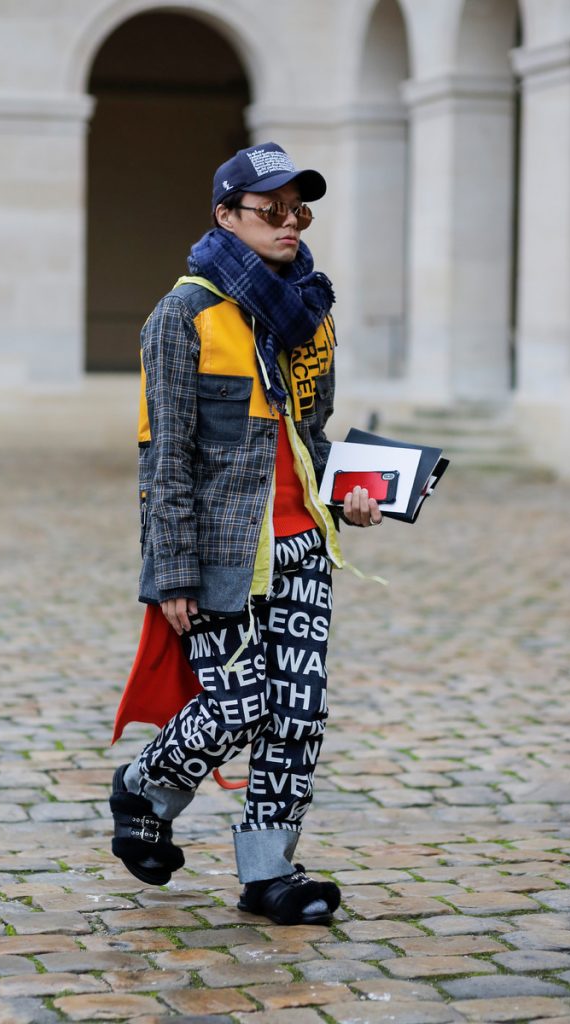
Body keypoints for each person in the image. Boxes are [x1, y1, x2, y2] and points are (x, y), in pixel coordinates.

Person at [109, 142, 382, 926]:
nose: (291, 223)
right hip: (226, 557)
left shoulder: (308, 316)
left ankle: (269, 873)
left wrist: (358, 494)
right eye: (271, 210)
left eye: (300, 210)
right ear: (226, 216)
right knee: (233, 709)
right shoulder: (183, 315)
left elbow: (312, 435)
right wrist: (173, 575)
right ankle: (145, 787)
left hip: (303, 546)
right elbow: (165, 457)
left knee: (298, 713)